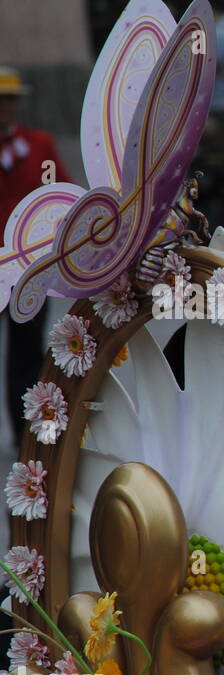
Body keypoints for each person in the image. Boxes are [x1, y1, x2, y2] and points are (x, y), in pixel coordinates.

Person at [0, 66, 69, 448]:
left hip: (29, 269)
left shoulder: (39, 144)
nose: (4, 108)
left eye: (9, 100)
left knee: (28, 353)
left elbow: (59, 193)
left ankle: (26, 431)